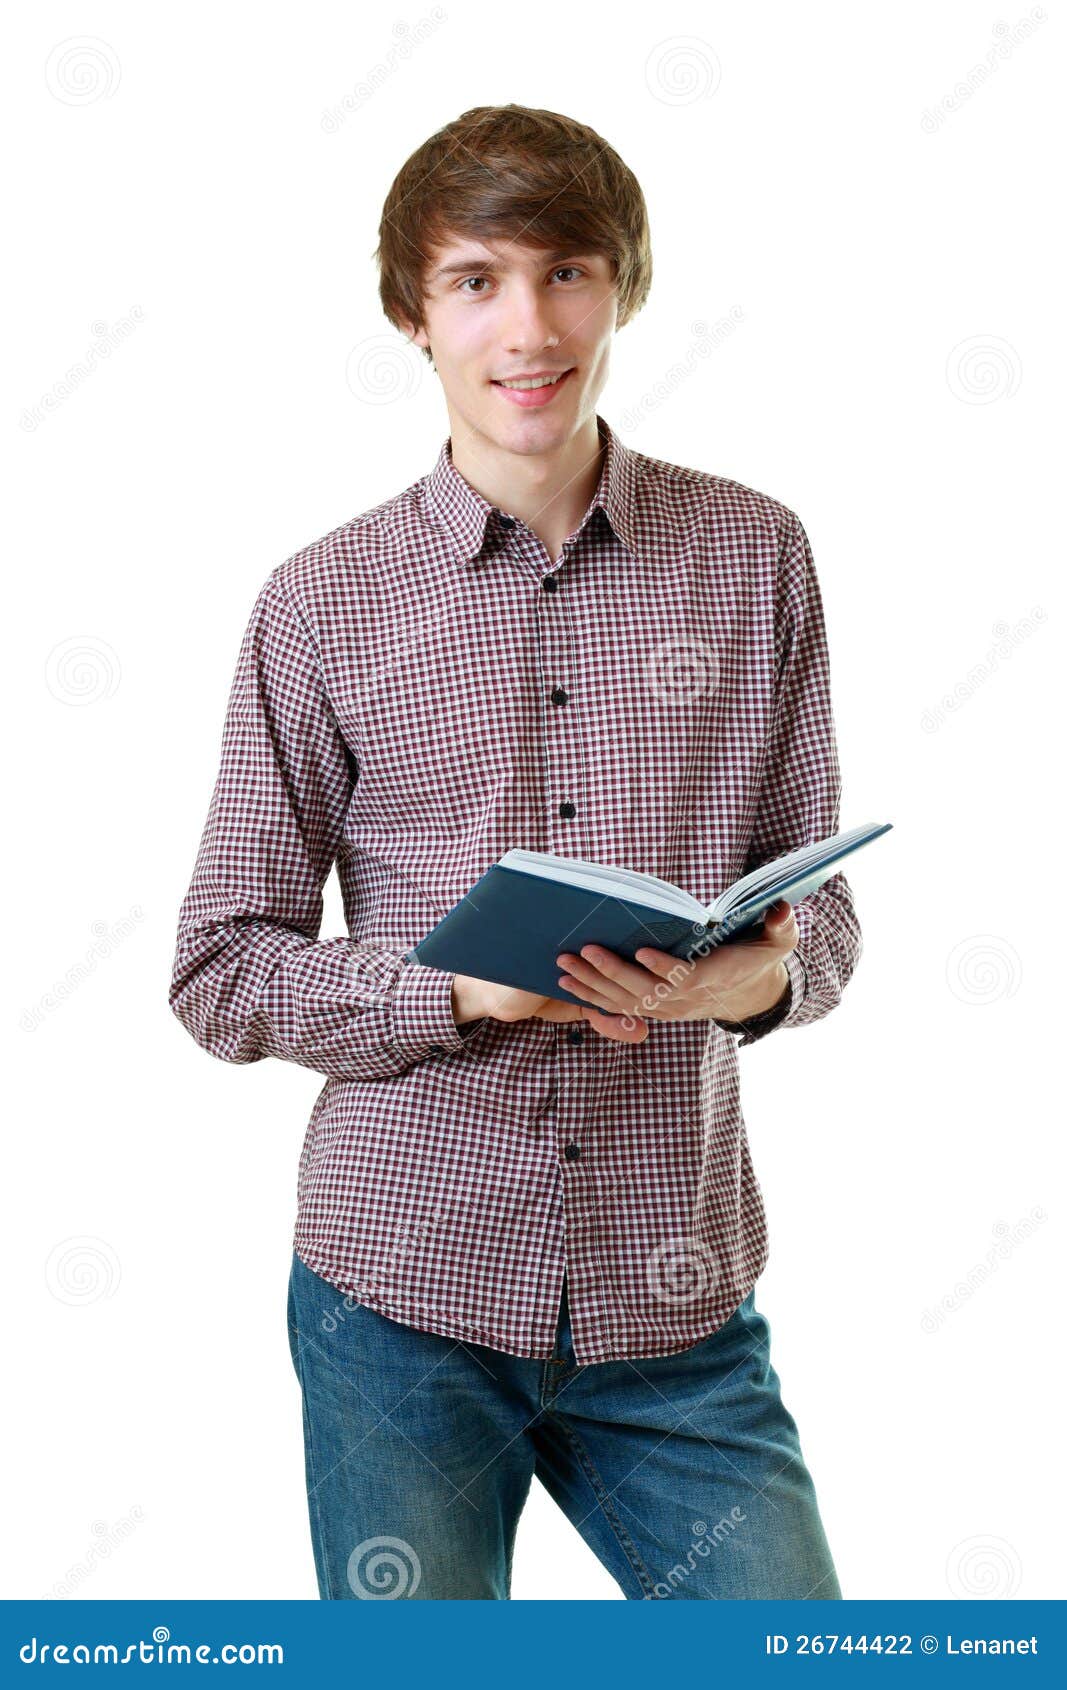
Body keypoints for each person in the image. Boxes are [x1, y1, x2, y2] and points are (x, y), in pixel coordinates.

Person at [169, 103, 862, 1601]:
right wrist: (463, 995)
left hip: (672, 1302)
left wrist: (731, 987)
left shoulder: (755, 557)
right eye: (477, 278)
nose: (528, 327)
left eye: (568, 272)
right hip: (398, 1299)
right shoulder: (321, 602)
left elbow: (828, 918)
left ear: (625, 288)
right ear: (411, 314)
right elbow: (221, 971)